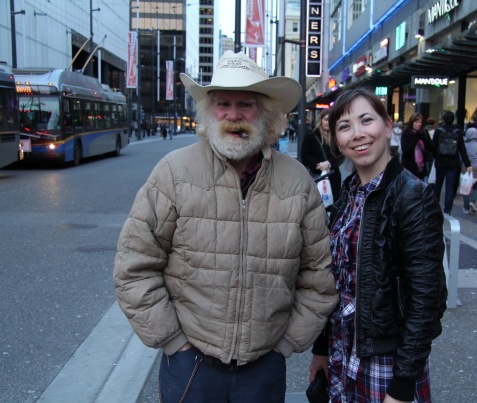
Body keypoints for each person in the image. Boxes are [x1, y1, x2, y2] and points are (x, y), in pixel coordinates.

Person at [113, 51, 338, 403]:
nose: (234, 115)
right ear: (209, 111)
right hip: (190, 365)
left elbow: (318, 278)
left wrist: (286, 343)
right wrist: (173, 340)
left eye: (246, 104)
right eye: (223, 104)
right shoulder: (174, 172)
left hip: (264, 367)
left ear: (265, 114)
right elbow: (134, 267)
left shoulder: (297, 181)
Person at [309, 88, 447, 403]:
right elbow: (336, 281)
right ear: (337, 141)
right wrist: (321, 347)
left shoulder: (413, 195)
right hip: (343, 351)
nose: (357, 134)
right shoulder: (349, 193)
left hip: (388, 362)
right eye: (345, 126)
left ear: (387, 127)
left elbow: (427, 300)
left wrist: (402, 385)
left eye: (366, 120)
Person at [432, 110, 472, 215]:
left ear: (443, 119)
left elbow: (433, 147)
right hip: (453, 162)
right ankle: (448, 210)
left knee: (438, 185)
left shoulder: (438, 131)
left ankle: (435, 207)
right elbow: (462, 149)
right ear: (453, 119)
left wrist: (434, 157)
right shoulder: (457, 132)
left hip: (440, 161)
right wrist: (468, 164)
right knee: (450, 187)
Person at [301, 108, 343, 203]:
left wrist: (329, 164)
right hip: (317, 177)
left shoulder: (337, 135)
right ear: (321, 120)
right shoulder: (311, 135)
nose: (328, 122)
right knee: (317, 204)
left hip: (333, 177)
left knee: (334, 203)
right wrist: (319, 165)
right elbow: (305, 155)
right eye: (326, 119)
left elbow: (341, 155)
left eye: (331, 120)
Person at [401, 112, 435, 182]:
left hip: (422, 167)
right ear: (412, 123)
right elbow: (406, 150)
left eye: (420, 122)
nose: (419, 124)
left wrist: (423, 138)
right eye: (416, 122)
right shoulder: (406, 133)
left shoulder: (424, 132)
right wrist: (416, 138)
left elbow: (431, 147)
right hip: (410, 167)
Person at [462, 126, 477, 214]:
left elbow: (461, 157)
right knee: (476, 187)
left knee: (466, 188)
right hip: (476, 168)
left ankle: (466, 208)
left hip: (466, 168)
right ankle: (472, 201)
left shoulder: (464, 145)